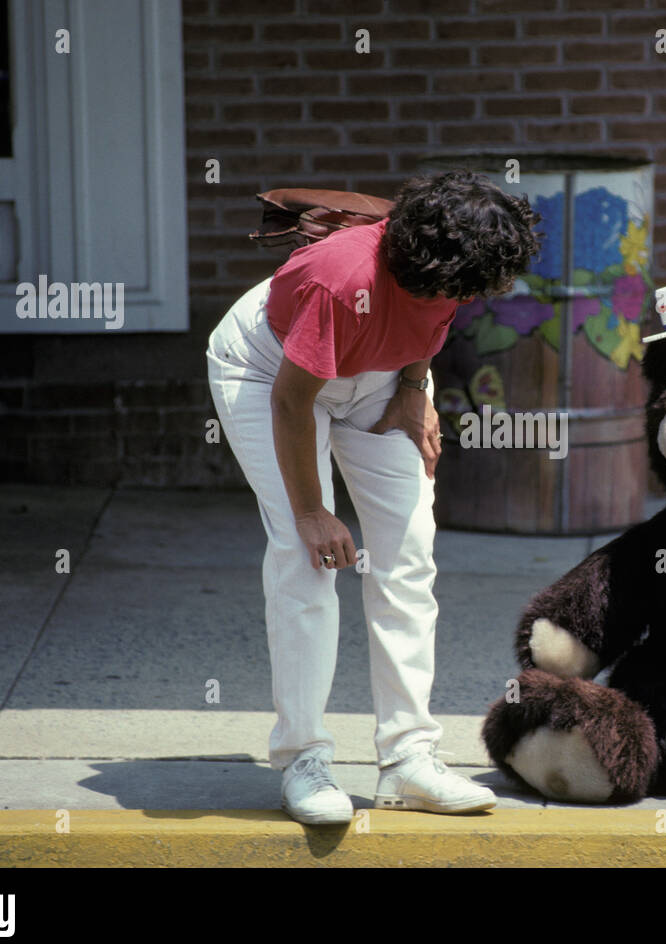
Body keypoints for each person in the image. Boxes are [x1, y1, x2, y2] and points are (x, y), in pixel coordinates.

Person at [206, 169, 540, 824]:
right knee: (306, 558)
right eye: (471, 286)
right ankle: (303, 756)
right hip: (269, 371)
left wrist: (415, 391)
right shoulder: (343, 278)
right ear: (435, 267)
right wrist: (311, 510)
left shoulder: (451, 264)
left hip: (375, 373)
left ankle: (409, 758)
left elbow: (432, 322)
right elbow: (291, 399)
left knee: (409, 556)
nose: (476, 296)